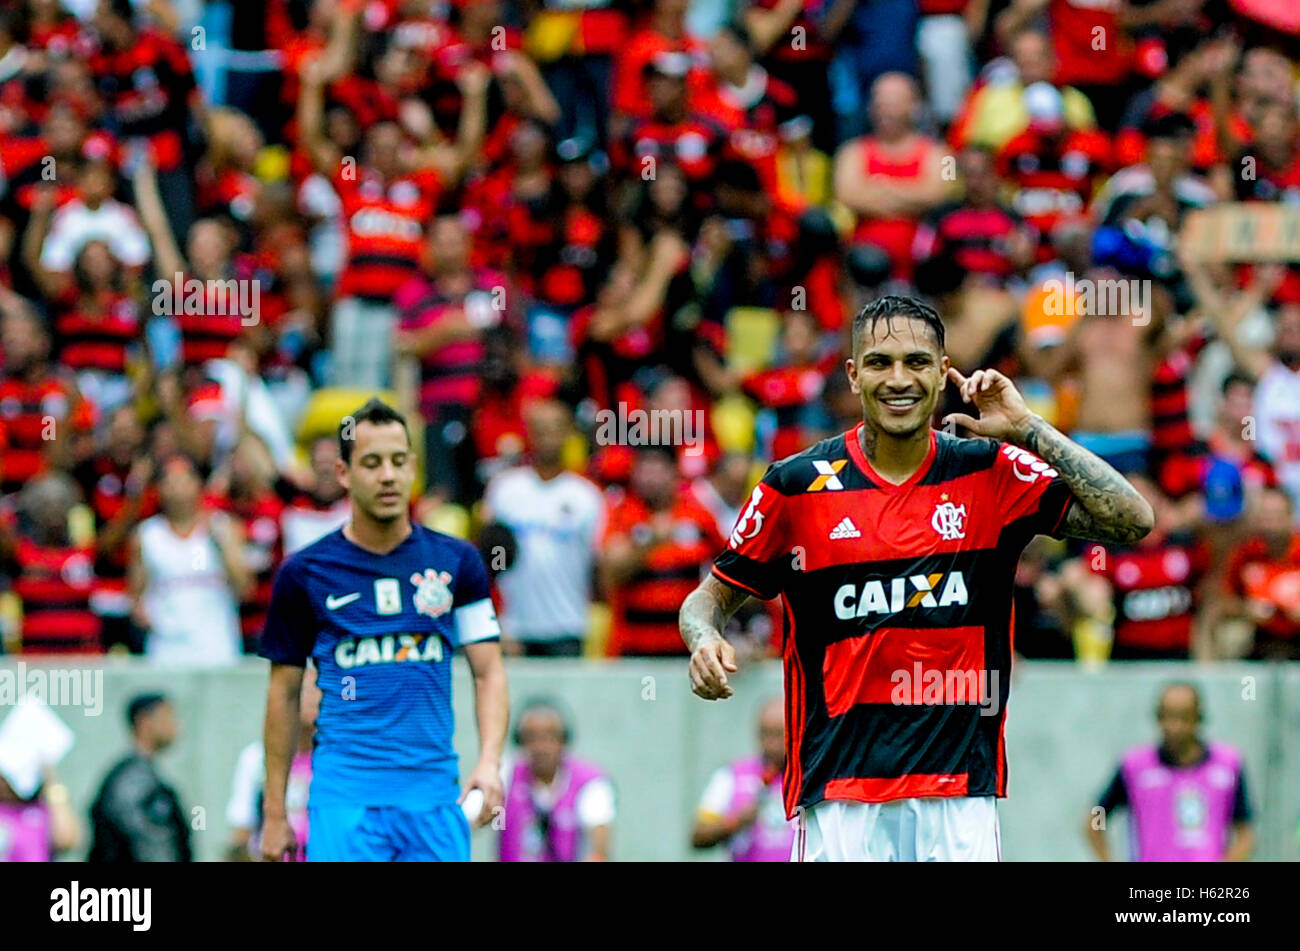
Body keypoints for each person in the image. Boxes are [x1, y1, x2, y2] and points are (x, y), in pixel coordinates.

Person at [680, 295, 1154, 862]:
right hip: (840, 793)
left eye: (916, 362)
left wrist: (1027, 428)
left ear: (942, 370)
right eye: (879, 363)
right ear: (854, 375)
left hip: (958, 793)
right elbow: (708, 599)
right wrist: (704, 637)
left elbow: (1132, 519)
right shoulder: (796, 485)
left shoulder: (988, 471)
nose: (898, 379)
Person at [258, 399, 509, 862]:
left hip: (433, 800)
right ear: (343, 472)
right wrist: (275, 815)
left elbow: (488, 671)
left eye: (398, 461)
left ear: (414, 466)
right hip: (344, 801)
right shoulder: (304, 573)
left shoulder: (458, 563)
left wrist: (490, 761)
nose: (388, 475)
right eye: (372, 463)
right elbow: (283, 695)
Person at [481, 400, 605, 657]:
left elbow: (597, 566)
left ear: (569, 433)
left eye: (555, 429)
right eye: (540, 429)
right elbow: (491, 563)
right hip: (514, 629)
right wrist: (499, 619)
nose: (547, 438)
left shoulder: (586, 496)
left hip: (567, 626)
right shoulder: (504, 490)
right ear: (528, 433)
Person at [1085, 683, 1254, 862]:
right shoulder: (1135, 767)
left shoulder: (1228, 766)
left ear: (1199, 718)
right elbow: (1097, 816)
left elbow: (1245, 833)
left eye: (1184, 717)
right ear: (1157, 718)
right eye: (1167, 717)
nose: (1174, 726)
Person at [128, 453, 249, 665]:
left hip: (218, 647)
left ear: (198, 485)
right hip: (167, 650)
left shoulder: (225, 527)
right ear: (159, 489)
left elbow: (245, 588)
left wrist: (221, 546)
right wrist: (144, 613)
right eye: (170, 482)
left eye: (184, 480)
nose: (177, 488)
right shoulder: (146, 535)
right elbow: (136, 596)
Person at [499, 700, 614, 862]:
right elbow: (469, 818)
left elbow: (599, 848)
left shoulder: (589, 783)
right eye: (531, 737)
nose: (541, 747)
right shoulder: (505, 773)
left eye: (550, 737)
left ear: (563, 740)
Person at [225, 667, 321, 862]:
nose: (312, 698)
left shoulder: (336, 760)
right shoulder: (256, 758)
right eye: (304, 690)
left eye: (318, 689)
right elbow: (241, 830)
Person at [88, 693, 192, 863]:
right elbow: (150, 843)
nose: (176, 725)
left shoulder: (140, 775)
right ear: (144, 722)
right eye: (168, 717)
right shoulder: (133, 780)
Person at [692, 697, 794, 861]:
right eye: (766, 734)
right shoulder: (732, 775)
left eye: (779, 734)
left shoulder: (811, 778)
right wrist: (736, 822)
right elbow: (699, 835)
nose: (772, 744)